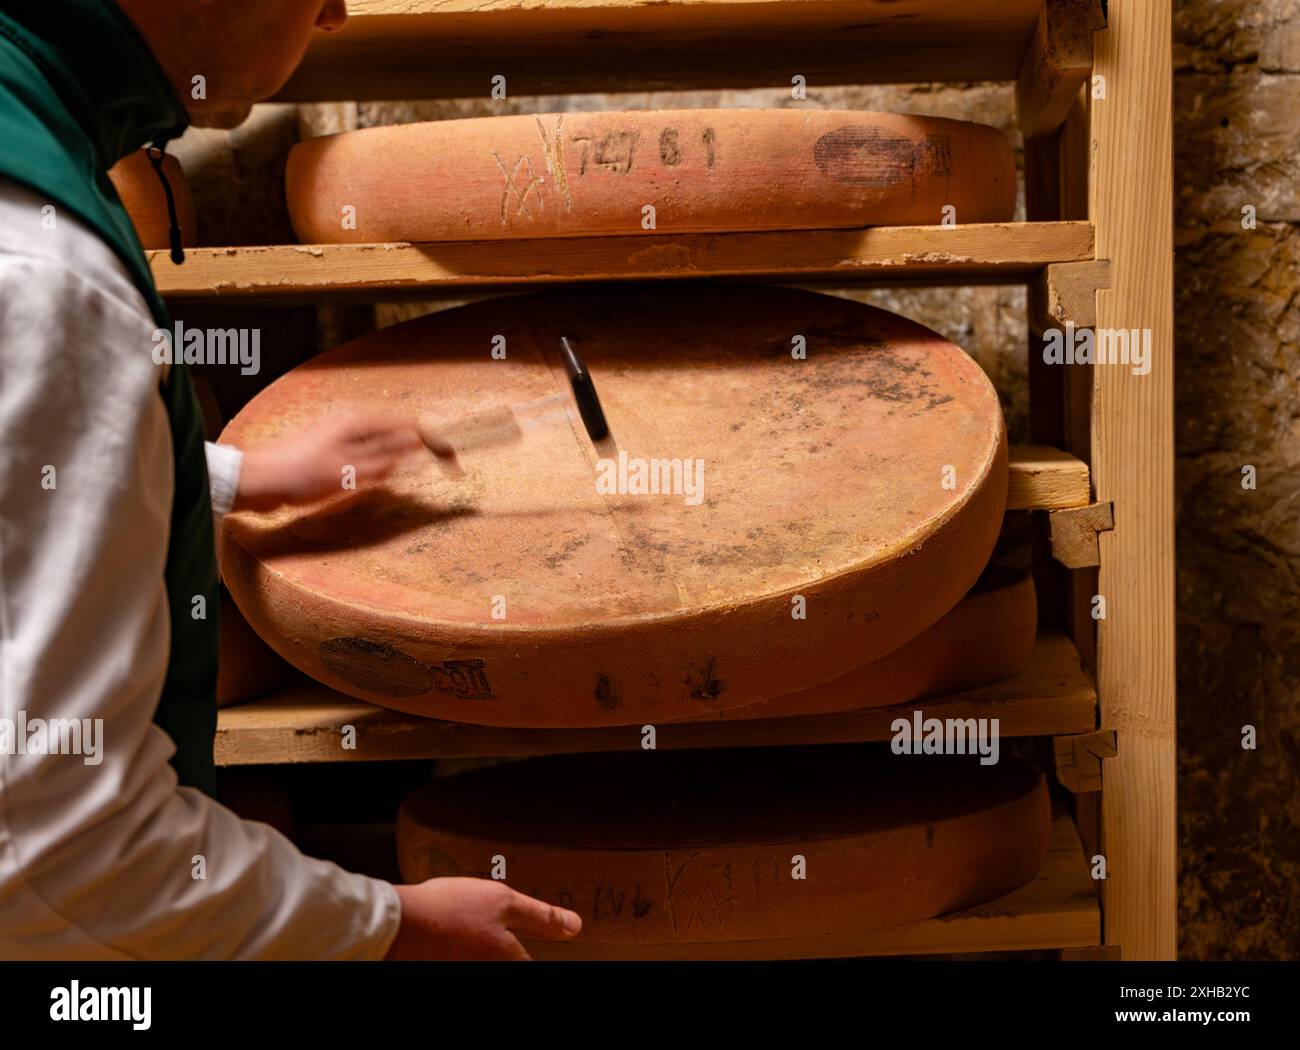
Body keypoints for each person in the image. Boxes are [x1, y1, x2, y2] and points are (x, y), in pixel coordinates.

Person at [0, 0, 581, 960]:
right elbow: (61, 846)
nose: (338, 13)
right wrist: (388, 925)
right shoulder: (50, 271)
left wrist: (220, 474)